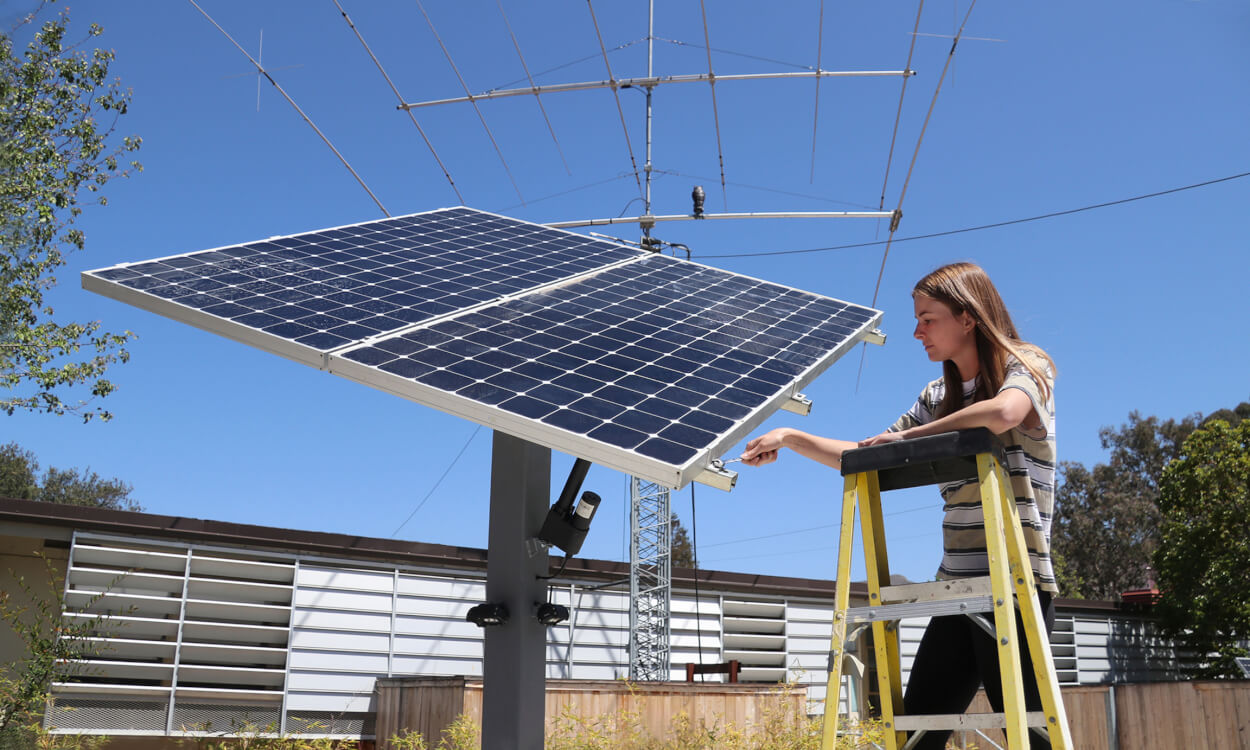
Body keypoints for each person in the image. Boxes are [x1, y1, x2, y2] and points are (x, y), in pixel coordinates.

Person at [740, 261, 1057, 750]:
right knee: (916, 739)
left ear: (968, 317)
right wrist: (792, 437)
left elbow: (1003, 413)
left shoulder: (1026, 364)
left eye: (928, 318)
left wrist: (913, 434)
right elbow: (869, 453)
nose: (917, 331)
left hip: (1016, 588)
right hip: (958, 589)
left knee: (1031, 739)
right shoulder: (936, 397)